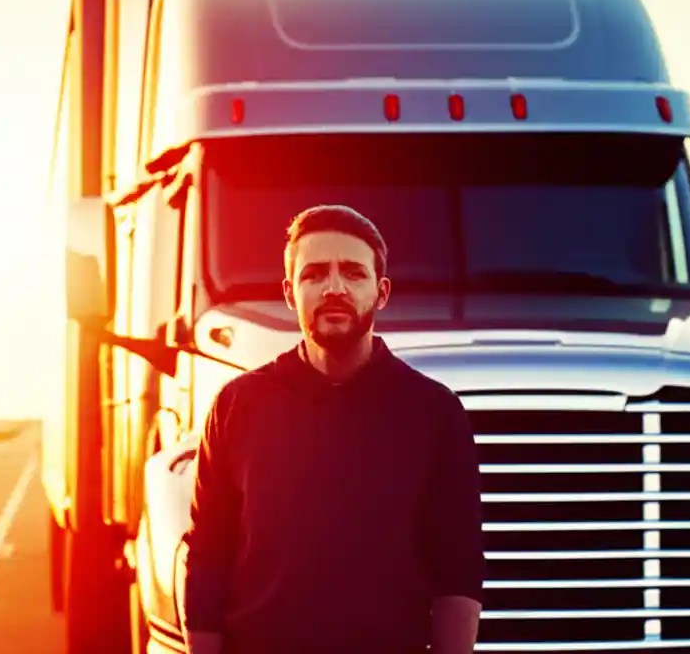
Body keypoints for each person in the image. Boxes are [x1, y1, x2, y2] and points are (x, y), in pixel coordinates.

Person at [181, 204, 485, 654]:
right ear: (290, 292)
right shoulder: (236, 406)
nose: (335, 287)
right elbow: (206, 558)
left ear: (381, 292)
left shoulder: (434, 412)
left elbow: (457, 565)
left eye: (353, 273)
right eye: (315, 274)